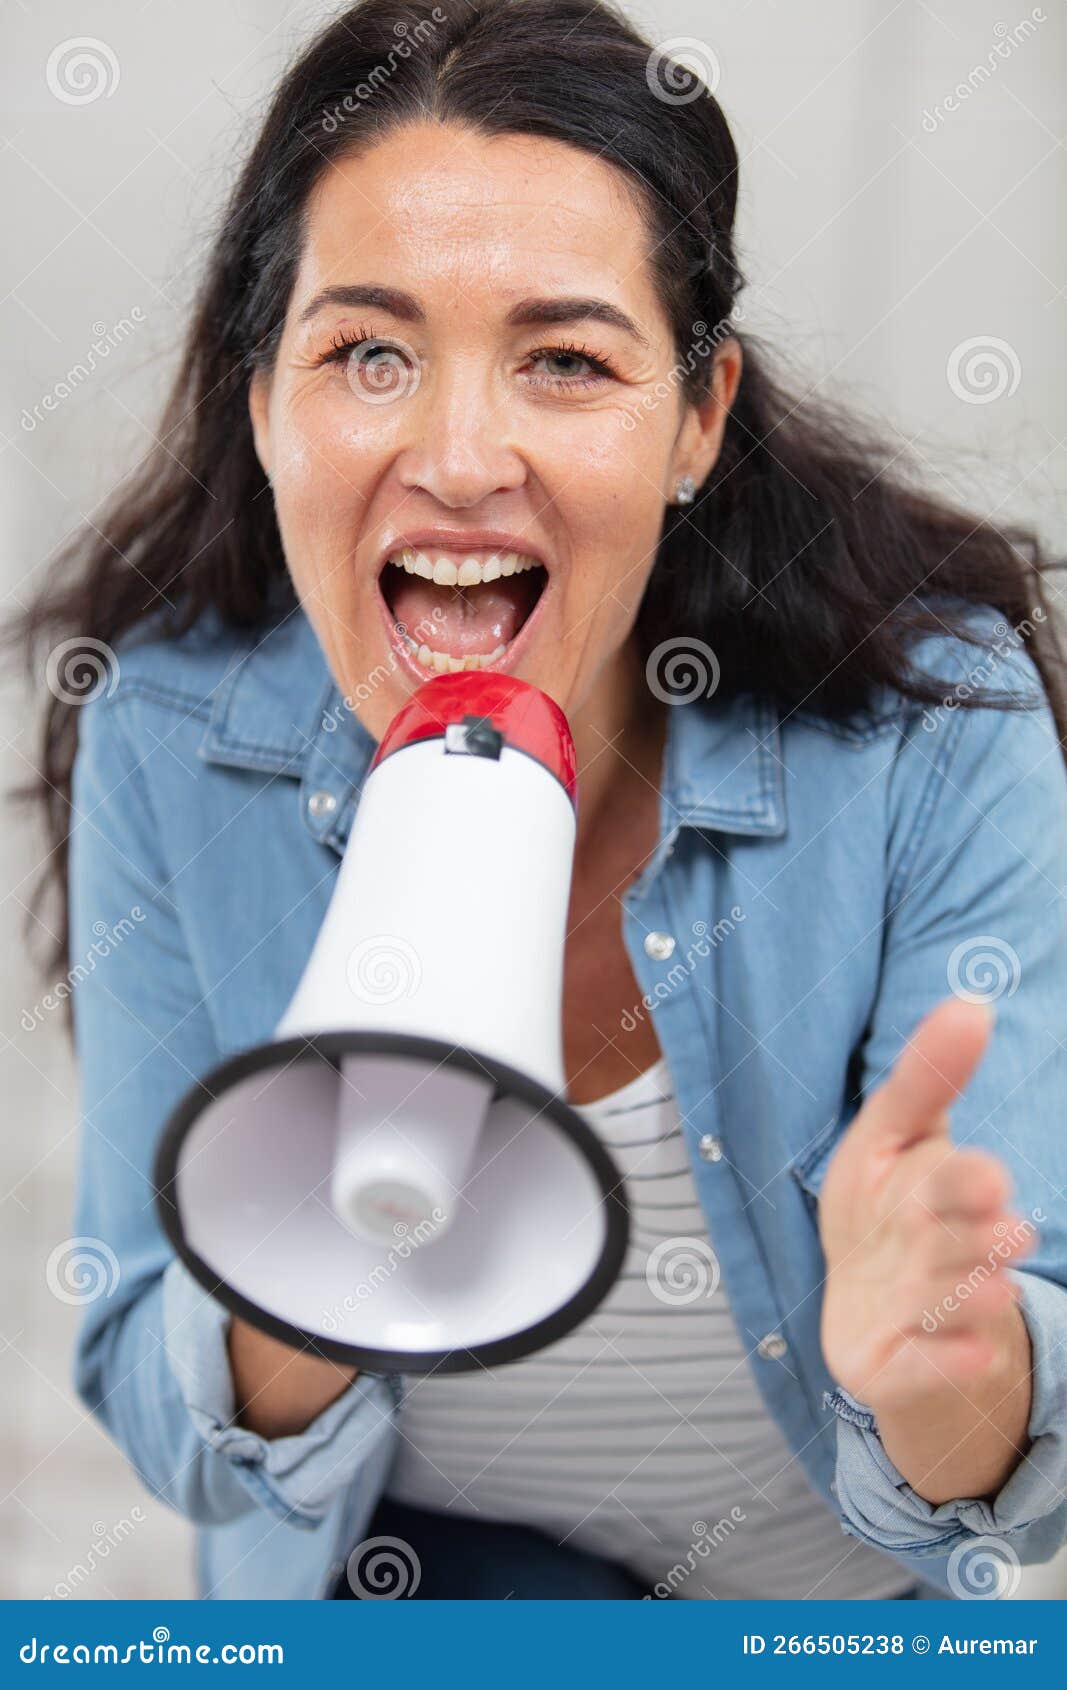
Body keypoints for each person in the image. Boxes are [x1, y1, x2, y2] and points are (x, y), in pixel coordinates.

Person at [7, 0, 1067, 1601]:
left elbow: (1009, 1484)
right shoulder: (167, 731)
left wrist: (935, 1357)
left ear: (698, 417)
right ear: (265, 403)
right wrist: (333, 1204)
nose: (460, 456)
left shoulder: (936, 730)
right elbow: (171, 1416)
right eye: (369, 353)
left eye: (566, 360)